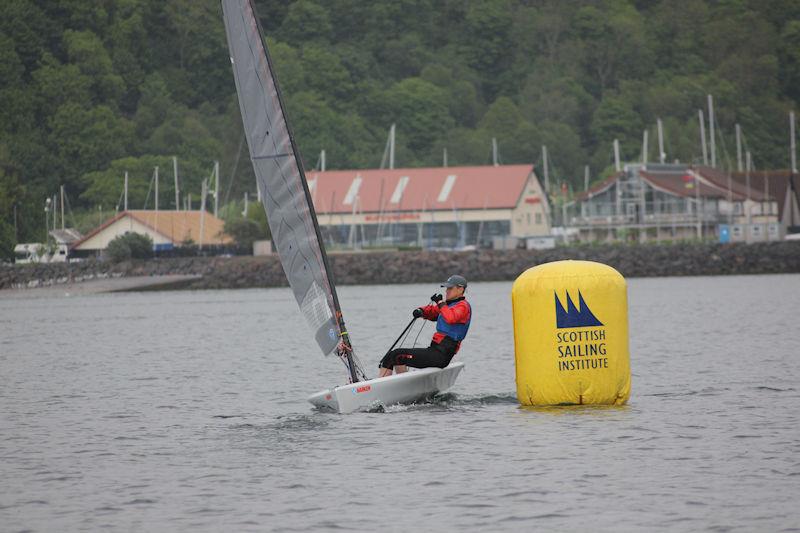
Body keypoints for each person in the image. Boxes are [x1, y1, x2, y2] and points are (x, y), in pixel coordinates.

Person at [378, 275, 472, 377]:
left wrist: (440, 302)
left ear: (460, 289)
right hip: (435, 350)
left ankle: (381, 387)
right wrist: (421, 311)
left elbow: (451, 318)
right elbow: (433, 311)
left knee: (396, 355)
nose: (447, 291)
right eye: (446, 288)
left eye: (450, 288)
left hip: (442, 355)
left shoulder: (463, 306)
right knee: (393, 356)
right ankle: (392, 383)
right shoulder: (448, 305)